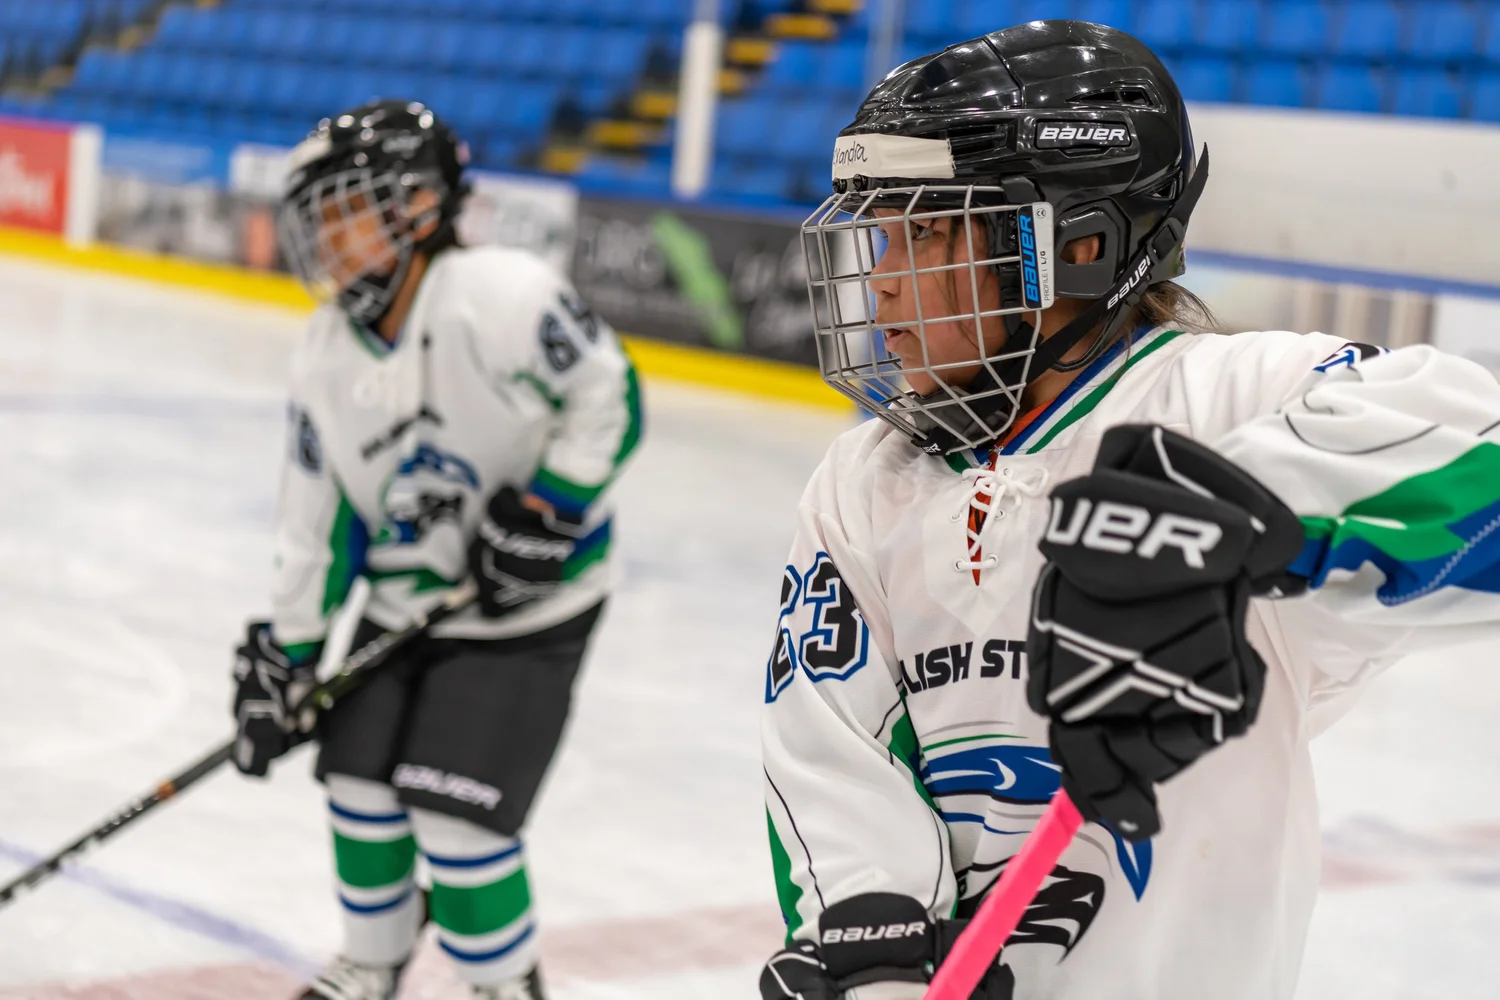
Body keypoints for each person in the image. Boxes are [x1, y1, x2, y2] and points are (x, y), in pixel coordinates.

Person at [759, 21, 1500, 1000]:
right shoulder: (863, 485)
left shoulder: (1227, 400)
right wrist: (874, 953)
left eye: (927, 228)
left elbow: (1476, 456)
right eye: (880, 230)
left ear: (1073, 243)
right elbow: (830, 755)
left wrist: (1244, 521)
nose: (884, 276)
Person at [230, 100, 642, 1000]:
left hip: (528, 608)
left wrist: (548, 509)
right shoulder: (324, 350)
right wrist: (288, 653)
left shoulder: (503, 294)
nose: (325, 238)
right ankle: (372, 962)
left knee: (457, 822)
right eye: (317, 217)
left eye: (344, 209)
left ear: (418, 204)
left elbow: (609, 396)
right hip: (407, 606)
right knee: (358, 789)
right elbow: (317, 522)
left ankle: (500, 982)